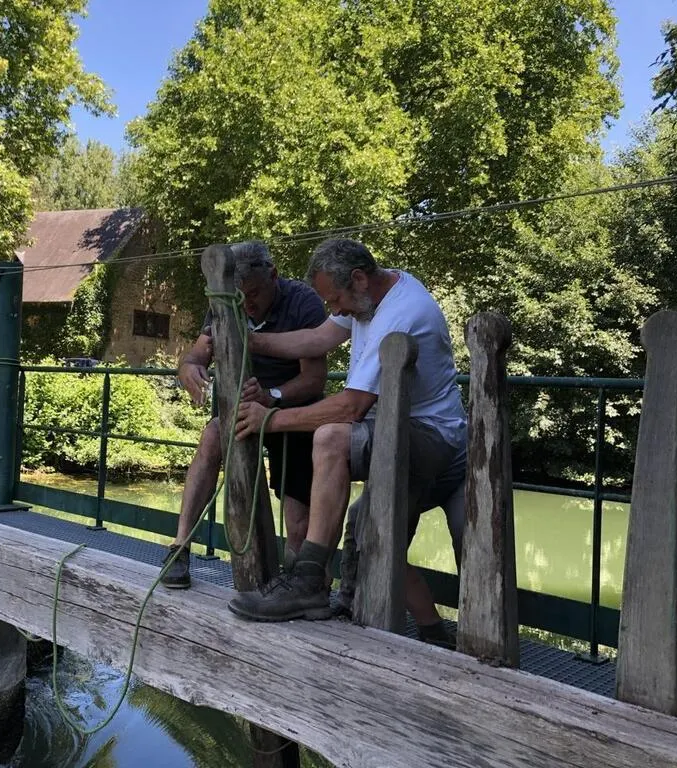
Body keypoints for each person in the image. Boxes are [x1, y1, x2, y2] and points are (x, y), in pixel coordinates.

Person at [231, 238, 466, 647]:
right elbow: (316, 340)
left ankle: (308, 578)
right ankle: (412, 624)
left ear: (358, 279)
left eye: (335, 300)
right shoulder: (372, 293)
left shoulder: (400, 314)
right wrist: (249, 340)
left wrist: (271, 418)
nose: (335, 311)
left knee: (330, 438)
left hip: (430, 436)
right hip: (395, 429)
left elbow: (352, 406)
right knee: (365, 526)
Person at [161, 241, 327, 589]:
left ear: (273, 275)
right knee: (211, 436)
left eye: (253, 294)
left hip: (292, 414)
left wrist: (271, 396)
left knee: (298, 521)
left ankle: (298, 585)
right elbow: (195, 355)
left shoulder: (303, 302)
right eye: (241, 296)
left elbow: (313, 380)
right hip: (243, 411)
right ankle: (180, 547)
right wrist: (189, 369)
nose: (247, 304)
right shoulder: (225, 300)